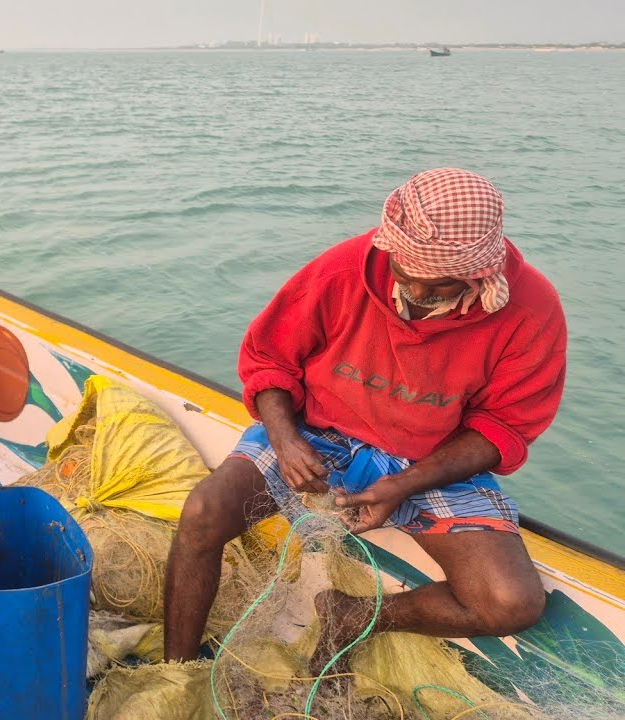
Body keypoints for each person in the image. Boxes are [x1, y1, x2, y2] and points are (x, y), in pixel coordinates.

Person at [163, 168, 567, 671]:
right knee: (203, 513)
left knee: (510, 603)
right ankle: (176, 670)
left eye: (438, 285)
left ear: (479, 273)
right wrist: (285, 442)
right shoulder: (344, 269)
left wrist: (404, 484)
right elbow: (270, 360)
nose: (414, 292)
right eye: (405, 274)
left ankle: (354, 616)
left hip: (430, 460)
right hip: (318, 433)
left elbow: (504, 427)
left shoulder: (532, 310)